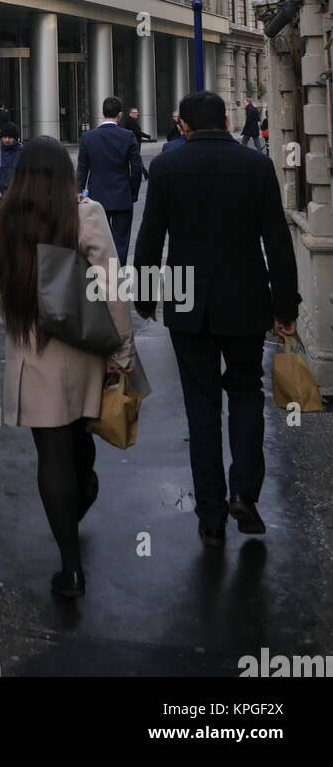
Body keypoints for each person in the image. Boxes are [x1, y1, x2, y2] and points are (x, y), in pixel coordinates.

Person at [133, 91, 299, 545]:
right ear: (228, 120)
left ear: (183, 126)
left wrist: (146, 299)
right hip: (245, 296)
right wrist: (287, 307)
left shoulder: (167, 167)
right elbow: (277, 242)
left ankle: (210, 515)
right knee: (246, 393)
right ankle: (245, 491)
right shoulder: (256, 166)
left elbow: (150, 238)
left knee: (201, 407)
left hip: (186, 297)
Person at [0, 138, 137, 598]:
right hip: (84, 348)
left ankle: (70, 568)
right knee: (78, 446)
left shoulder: (0, 214)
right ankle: (82, 496)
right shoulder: (84, 212)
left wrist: (21, 319)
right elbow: (111, 285)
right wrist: (122, 349)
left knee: (51, 457)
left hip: (33, 350)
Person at [76, 96, 142, 267]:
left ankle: (99, 274)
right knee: (120, 241)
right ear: (120, 115)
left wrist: (78, 194)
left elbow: (82, 170)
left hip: (97, 196)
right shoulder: (127, 136)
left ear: (102, 112)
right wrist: (133, 193)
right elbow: (136, 169)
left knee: (97, 238)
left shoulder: (88, 137)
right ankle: (117, 275)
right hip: (122, 195)